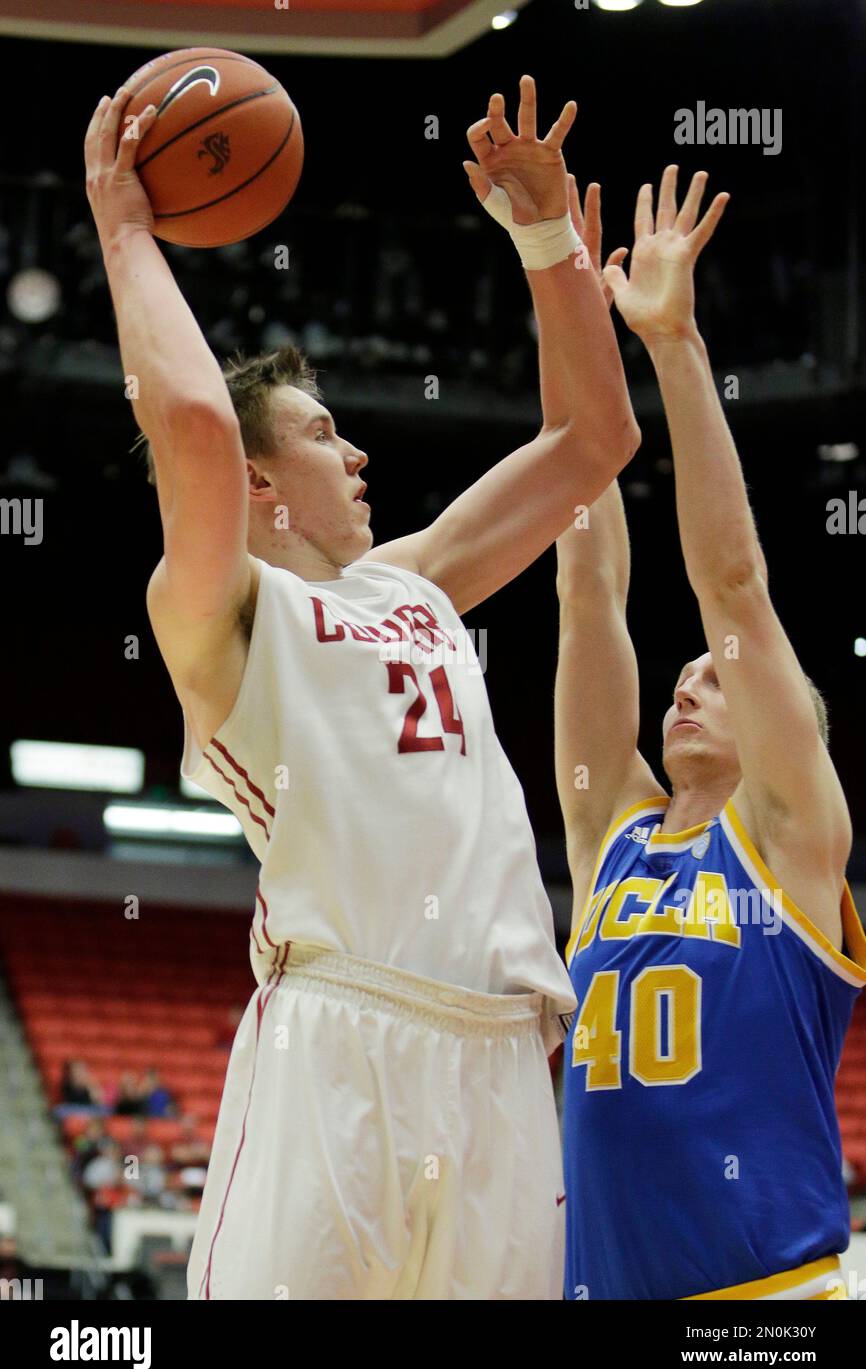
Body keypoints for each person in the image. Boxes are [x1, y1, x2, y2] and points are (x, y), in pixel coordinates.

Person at [85, 74, 639, 1299]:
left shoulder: (416, 585)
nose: (359, 448)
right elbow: (186, 418)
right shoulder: (221, 617)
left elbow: (593, 441)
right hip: (339, 1042)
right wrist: (123, 225)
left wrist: (545, 238)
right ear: (261, 486)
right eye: (327, 433)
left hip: (502, 1059)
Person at [554, 166, 866, 1301]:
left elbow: (731, 586)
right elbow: (585, 587)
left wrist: (673, 343)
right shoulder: (608, 839)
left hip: (761, 1306)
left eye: (715, 684)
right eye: (678, 677)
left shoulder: (787, 837)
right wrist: (568, 309)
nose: (686, 687)